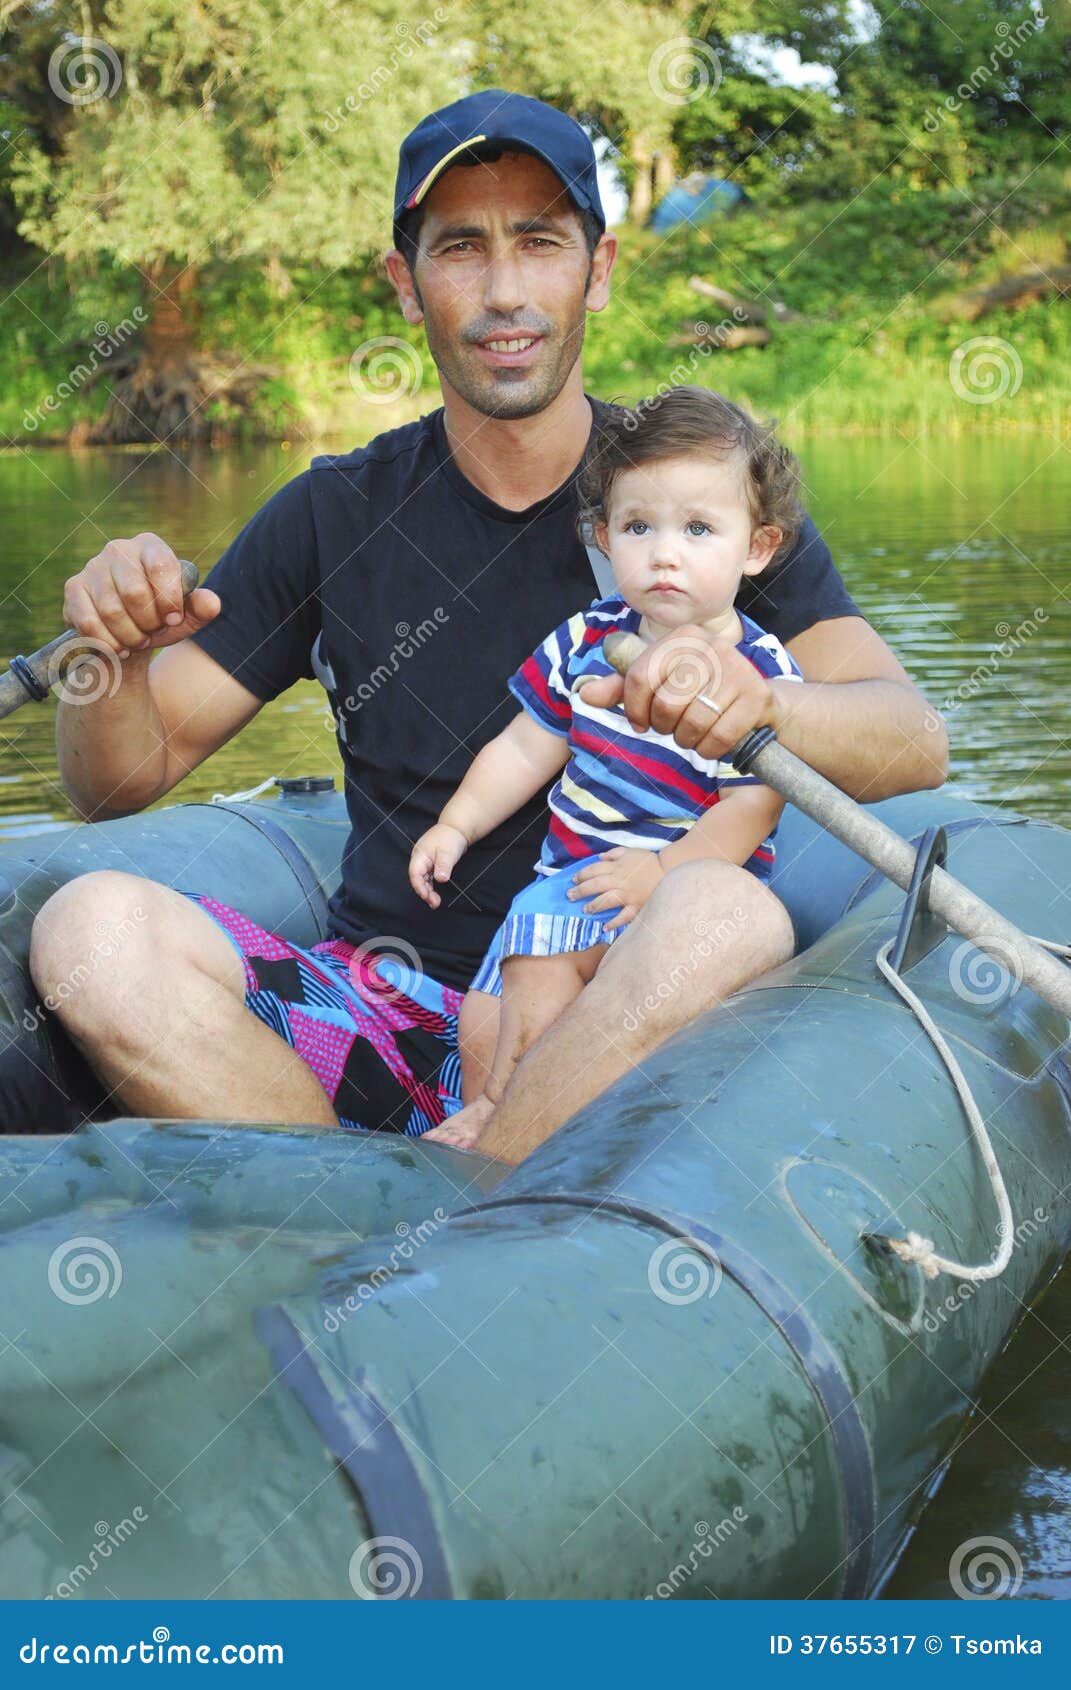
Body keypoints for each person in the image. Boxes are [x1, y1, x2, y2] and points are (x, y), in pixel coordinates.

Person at [27, 88, 948, 1164]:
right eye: (460, 247)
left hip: (604, 1009)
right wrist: (112, 654)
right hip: (386, 1003)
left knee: (724, 916)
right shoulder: (335, 513)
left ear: (596, 273)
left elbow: (912, 738)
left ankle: (487, 1167)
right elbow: (116, 783)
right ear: (405, 286)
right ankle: (356, 1210)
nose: (505, 291)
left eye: (541, 242)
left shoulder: (694, 509)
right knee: (87, 925)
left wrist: (767, 703)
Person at [410, 387, 803, 1151]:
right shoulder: (587, 638)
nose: (663, 552)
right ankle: (501, 1104)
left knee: (539, 964)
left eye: (697, 529)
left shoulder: (757, 674)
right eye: (637, 526)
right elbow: (527, 747)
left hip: (670, 896)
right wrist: (454, 824)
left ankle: (497, 1120)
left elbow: (751, 807)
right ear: (602, 539)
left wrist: (662, 870)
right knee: (484, 1012)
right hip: (572, 881)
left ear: (755, 548)